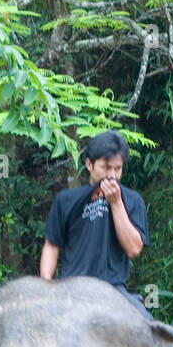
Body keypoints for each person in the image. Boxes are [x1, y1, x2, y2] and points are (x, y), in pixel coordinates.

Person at [39, 129, 152, 317]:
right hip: (71, 287)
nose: (112, 175)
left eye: (118, 169)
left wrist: (116, 203)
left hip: (114, 290)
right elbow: (51, 246)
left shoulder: (133, 201)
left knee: (149, 330)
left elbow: (133, 249)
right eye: (106, 167)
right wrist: (45, 286)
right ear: (89, 164)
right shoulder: (66, 200)